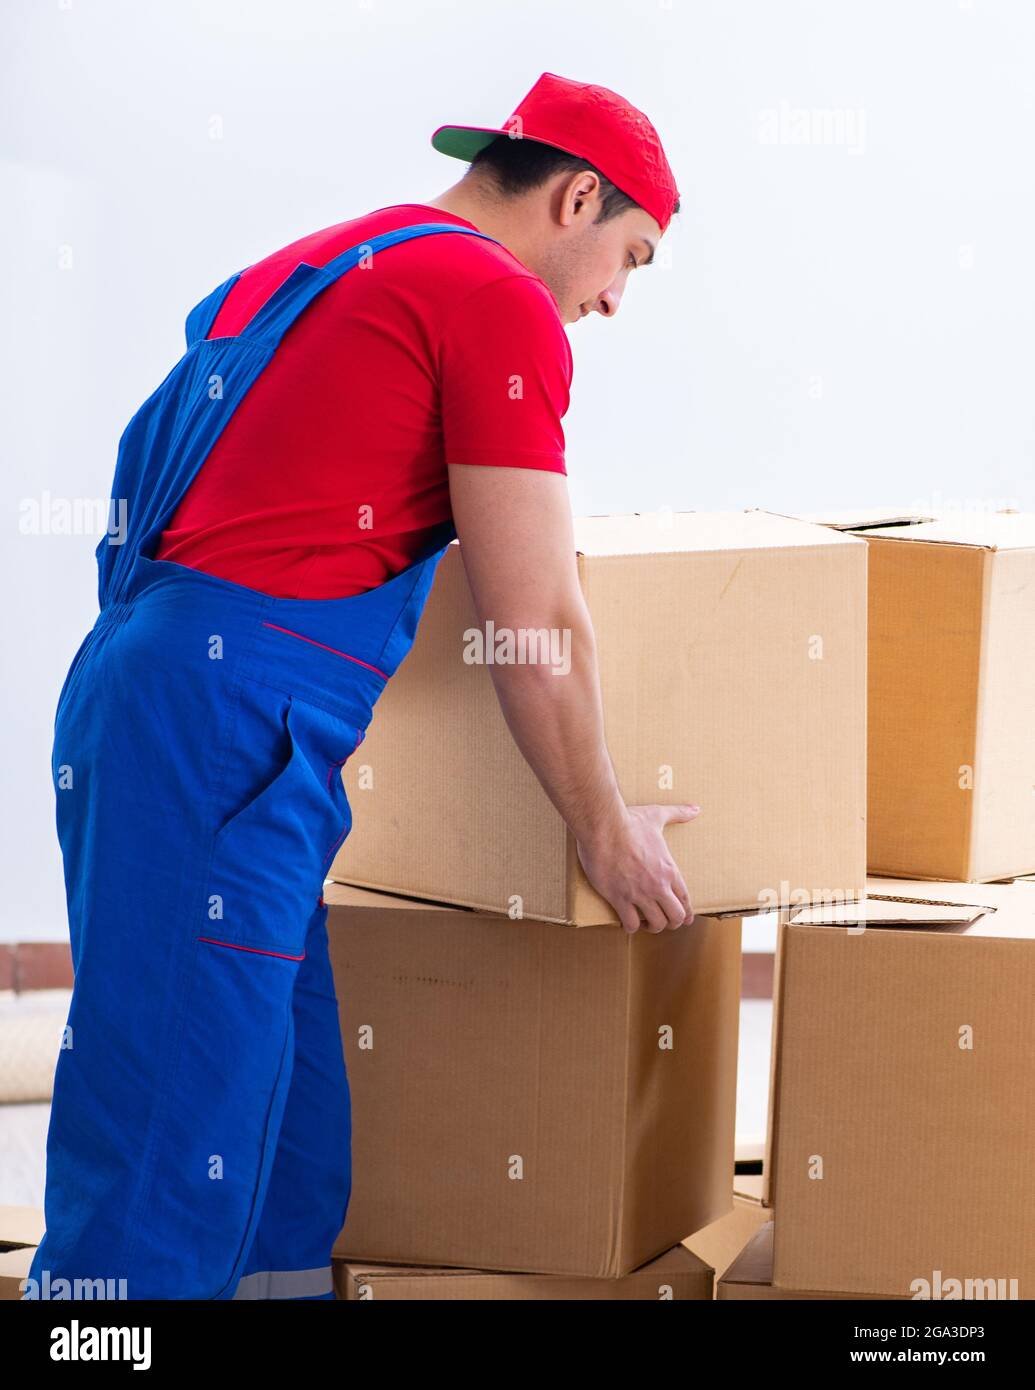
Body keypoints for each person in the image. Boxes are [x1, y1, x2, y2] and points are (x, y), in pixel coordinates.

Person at [26, 71, 698, 1302]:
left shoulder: (322, 262)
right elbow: (534, 616)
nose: (611, 300)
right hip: (227, 727)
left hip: (177, 703)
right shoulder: (496, 302)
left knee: (287, 1133)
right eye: (631, 259)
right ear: (577, 197)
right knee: (169, 1145)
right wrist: (605, 831)